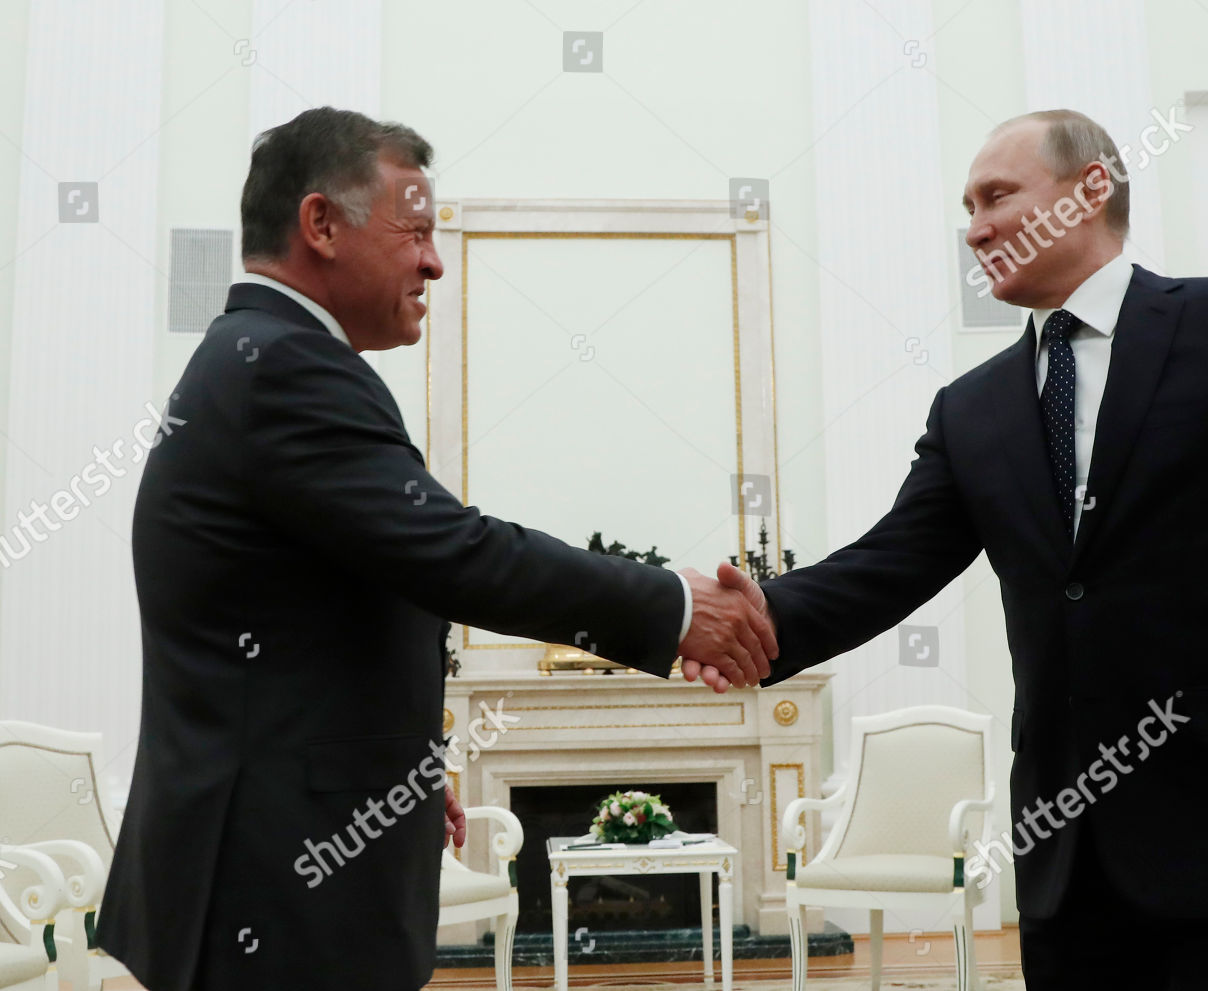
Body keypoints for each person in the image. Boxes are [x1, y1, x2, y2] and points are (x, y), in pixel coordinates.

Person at [704, 109, 1208, 989]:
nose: (975, 228)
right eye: (966, 208)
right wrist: (745, 622)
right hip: (1068, 861)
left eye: (997, 195)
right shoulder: (970, 408)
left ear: (1089, 190)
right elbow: (886, 567)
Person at [96, 107, 775, 991]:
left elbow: (332, 605)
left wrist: (391, 763)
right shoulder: (287, 369)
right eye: (415, 231)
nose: (434, 259)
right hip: (275, 889)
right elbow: (456, 553)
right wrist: (677, 606)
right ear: (321, 224)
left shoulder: (262, 358)